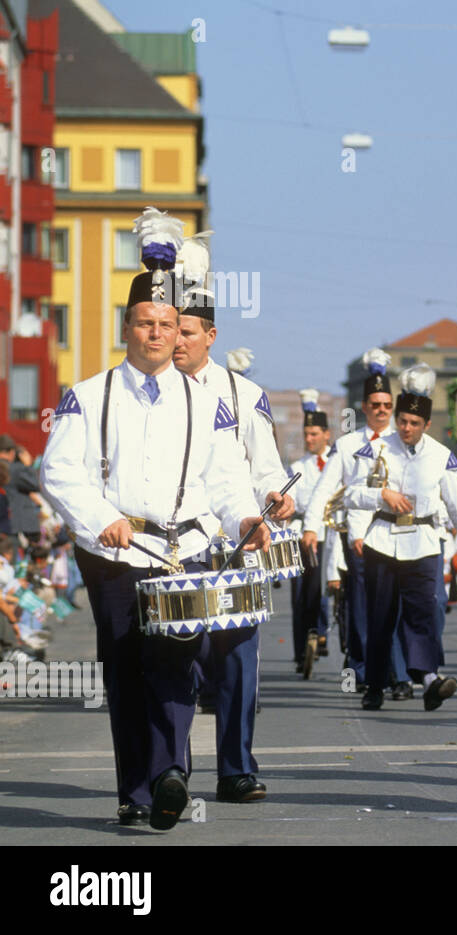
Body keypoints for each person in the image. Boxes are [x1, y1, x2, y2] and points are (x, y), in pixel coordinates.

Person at [39, 206, 268, 830]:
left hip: (182, 551)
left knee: (177, 662)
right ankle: (135, 790)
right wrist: (101, 517)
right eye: (146, 323)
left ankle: (169, 775)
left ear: (178, 329)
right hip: (115, 552)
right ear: (127, 327)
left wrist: (248, 518)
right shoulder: (87, 396)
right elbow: (58, 472)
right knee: (126, 668)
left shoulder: (208, 401)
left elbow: (226, 476)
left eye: (168, 324)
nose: (158, 334)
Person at [172, 268, 293, 806]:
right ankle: (171, 768)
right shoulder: (151, 390)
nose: (176, 340)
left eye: (188, 331)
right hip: (178, 550)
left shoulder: (244, 395)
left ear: (211, 337)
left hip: (234, 546)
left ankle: (236, 769)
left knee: (239, 658)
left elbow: (266, 467)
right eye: (171, 329)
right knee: (181, 657)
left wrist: (277, 496)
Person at [346, 365, 457, 712]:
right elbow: (351, 495)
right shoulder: (378, 450)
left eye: (413, 423)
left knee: (426, 611)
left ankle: (429, 677)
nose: (406, 428)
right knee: (381, 617)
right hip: (382, 543)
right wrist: (382, 497)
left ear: (426, 426)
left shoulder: (440, 457)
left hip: (423, 542)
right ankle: (375, 685)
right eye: (402, 421)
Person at [302, 348, 410, 698]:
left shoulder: (405, 440)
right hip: (361, 540)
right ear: (364, 408)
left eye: (386, 405)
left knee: (399, 610)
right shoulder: (348, 445)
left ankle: (398, 674)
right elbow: (324, 489)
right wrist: (309, 528)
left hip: (404, 537)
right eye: (374, 405)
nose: (381, 411)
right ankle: (364, 670)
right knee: (364, 610)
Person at [288, 389, 334, 676]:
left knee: (329, 590)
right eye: (306, 434)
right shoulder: (297, 467)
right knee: (301, 593)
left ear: (326, 434)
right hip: (303, 534)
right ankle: (301, 650)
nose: (309, 439)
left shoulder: (336, 462)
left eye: (315, 434)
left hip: (331, 532)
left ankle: (324, 633)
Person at [0, 436, 41, 547]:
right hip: (19, 525)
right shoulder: (15, 469)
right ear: (12, 452)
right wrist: (28, 466)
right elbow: (35, 484)